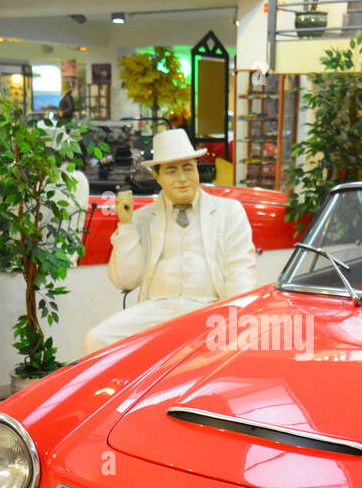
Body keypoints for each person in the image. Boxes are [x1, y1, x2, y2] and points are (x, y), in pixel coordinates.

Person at [84, 128, 257, 353]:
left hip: (208, 308)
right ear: (157, 176)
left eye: (188, 169)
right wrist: (126, 226)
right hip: (156, 310)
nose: (182, 179)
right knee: (97, 339)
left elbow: (240, 271)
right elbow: (125, 281)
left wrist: (238, 317)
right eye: (172, 171)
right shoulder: (143, 217)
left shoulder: (229, 212)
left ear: (197, 169)